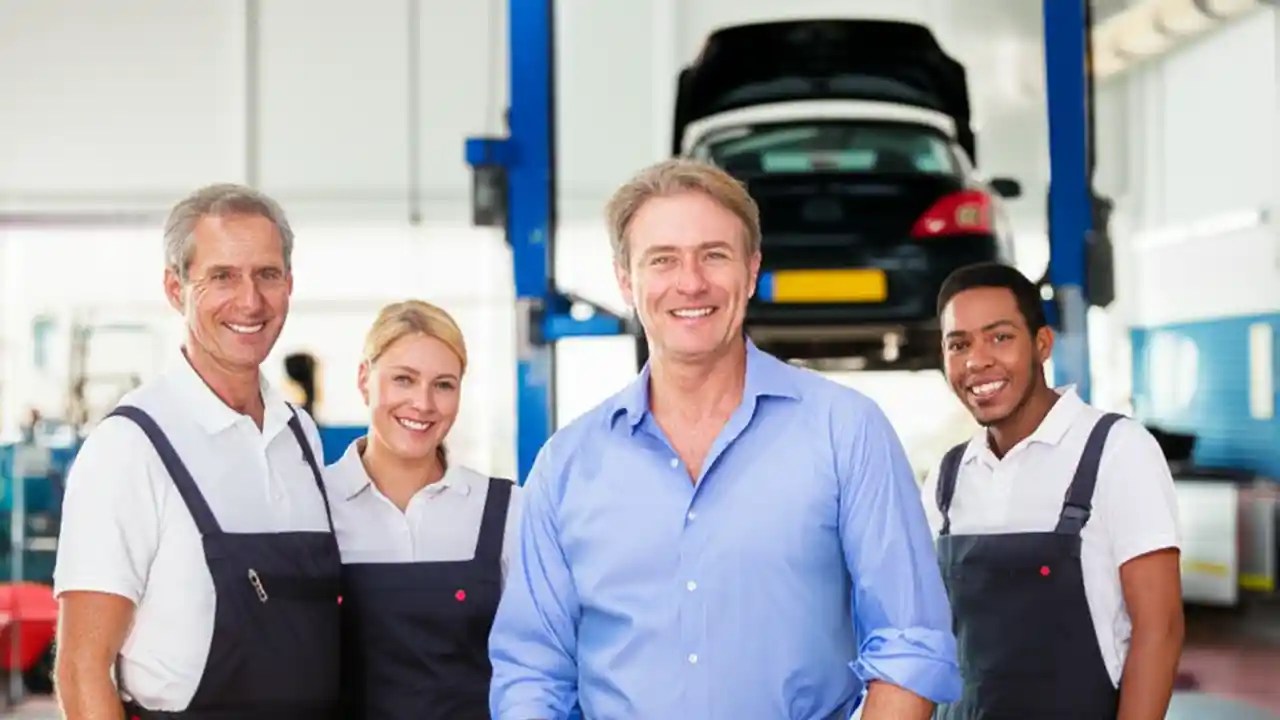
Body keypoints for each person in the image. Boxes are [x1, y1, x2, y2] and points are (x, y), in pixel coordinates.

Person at [488, 158, 961, 720]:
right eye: (662, 259)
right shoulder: (566, 465)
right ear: (625, 280)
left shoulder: (846, 432)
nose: (691, 282)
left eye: (714, 255)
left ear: (752, 269)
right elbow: (532, 674)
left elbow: (910, 644)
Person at [52, 184, 342, 719]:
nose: (250, 301)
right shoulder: (131, 446)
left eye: (267, 275)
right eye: (222, 276)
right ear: (175, 288)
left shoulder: (299, 435)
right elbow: (81, 670)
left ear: (289, 285)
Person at [922, 262, 1184, 719]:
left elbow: (1159, 630)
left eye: (1000, 337)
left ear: (1042, 344)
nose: (977, 360)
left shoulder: (1116, 450)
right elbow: (927, 636)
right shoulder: (948, 477)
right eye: (959, 344)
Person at [325, 299, 522, 719]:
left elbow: (539, 661)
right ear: (364, 379)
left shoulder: (507, 511)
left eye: (443, 385)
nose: (423, 403)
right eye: (404, 379)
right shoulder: (311, 505)